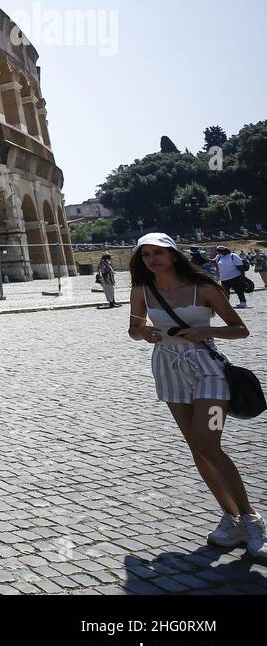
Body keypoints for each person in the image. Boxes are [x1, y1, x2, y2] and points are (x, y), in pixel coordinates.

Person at [128, 232, 261, 558]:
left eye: (158, 253)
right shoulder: (142, 290)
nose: (152, 260)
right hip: (169, 371)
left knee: (207, 442)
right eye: (145, 255)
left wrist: (206, 331)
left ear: (173, 254)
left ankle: (251, 519)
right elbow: (133, 328)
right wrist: (142, 332)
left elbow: (239, 329)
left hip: (208, 371)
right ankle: (230, 519)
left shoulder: (205, 288)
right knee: (197, 448)